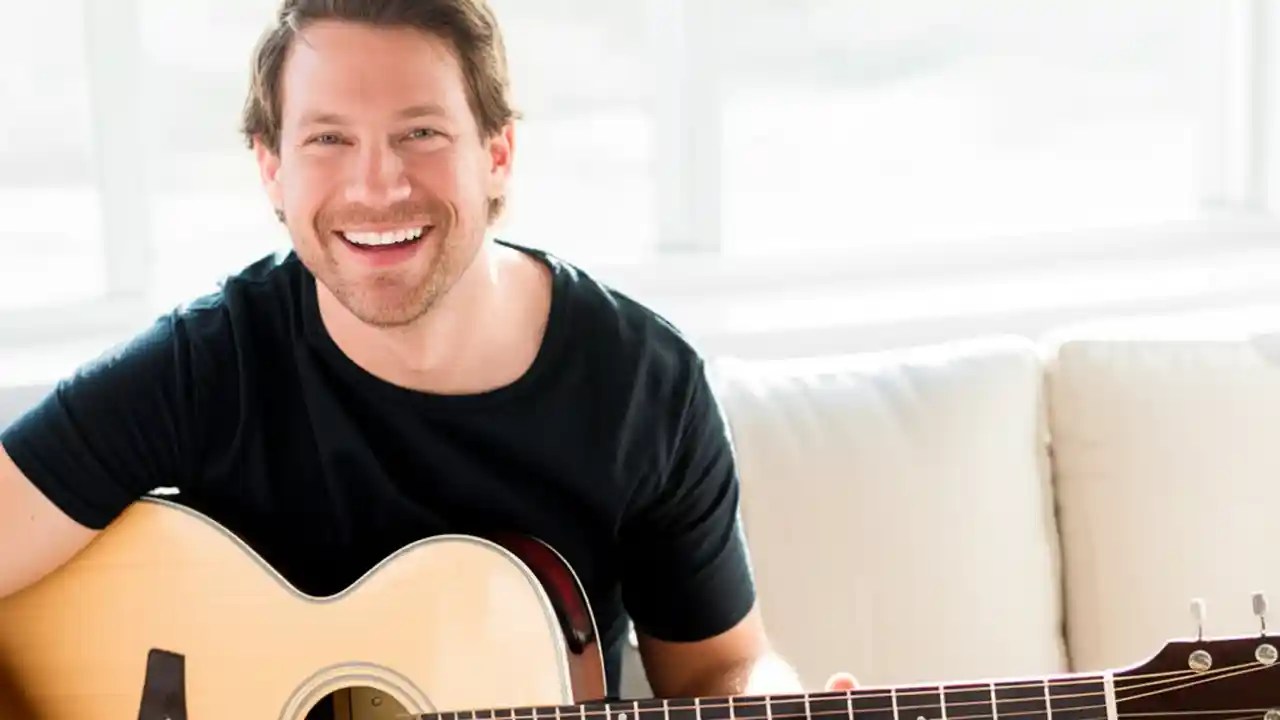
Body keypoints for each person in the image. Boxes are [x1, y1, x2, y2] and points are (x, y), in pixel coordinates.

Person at [0, 0, 855, 702]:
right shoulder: (208, 365)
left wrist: (771, 698)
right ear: (271, 170)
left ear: (497, 155)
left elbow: (715, 669)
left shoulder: (642, 386)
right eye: (328, 139)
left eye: (420, 133)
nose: (377, 186)